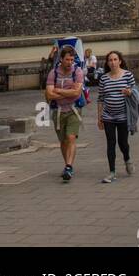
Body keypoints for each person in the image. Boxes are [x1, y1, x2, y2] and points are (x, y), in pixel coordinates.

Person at [46, 45, 86, 182]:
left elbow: (76, 93)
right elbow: (49, 95)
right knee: (63, 141)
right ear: (61, 59)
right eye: (68, 60)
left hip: (74, 109)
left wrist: (58, 91)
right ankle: (67, 164)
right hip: (58, 111)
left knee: (71, 138)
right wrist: (67, 93)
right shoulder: (54, 73)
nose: (70, 62)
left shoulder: (78, 72)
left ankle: (69, 166)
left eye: (72, 60)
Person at [98, 50, 136, 183]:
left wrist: (129, 91)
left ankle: (127, 159)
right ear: (107, 63)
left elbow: (135, 92)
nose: (113, 62)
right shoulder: (103, 78)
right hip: (108, 115)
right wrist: (99, 118)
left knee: (123, 142)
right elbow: (101, 99)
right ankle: (112, 172)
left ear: (120, 61)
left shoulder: (127, 75)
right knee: (110, 143)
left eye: (115, 59)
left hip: (123, 115)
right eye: (110, 60)